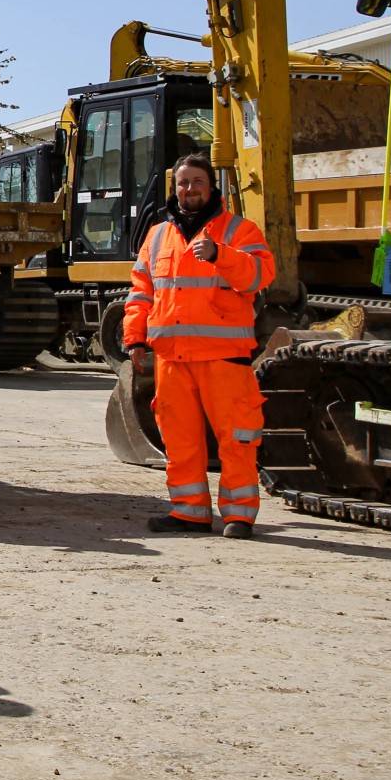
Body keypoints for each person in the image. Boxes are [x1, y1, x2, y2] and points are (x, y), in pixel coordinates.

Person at [122, 154, 274, 538]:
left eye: (197, 182)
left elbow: (260, 275)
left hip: (223, 358)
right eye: (183, 183)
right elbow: (141, 292)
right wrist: (135, 336)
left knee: (237, 438)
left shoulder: (239, 231)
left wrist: (221, 255)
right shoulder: (157, 236)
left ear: (212, 186)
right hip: (172, 359)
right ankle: (189, 512)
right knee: (179, 439)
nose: (190, 190)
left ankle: (239, 516)